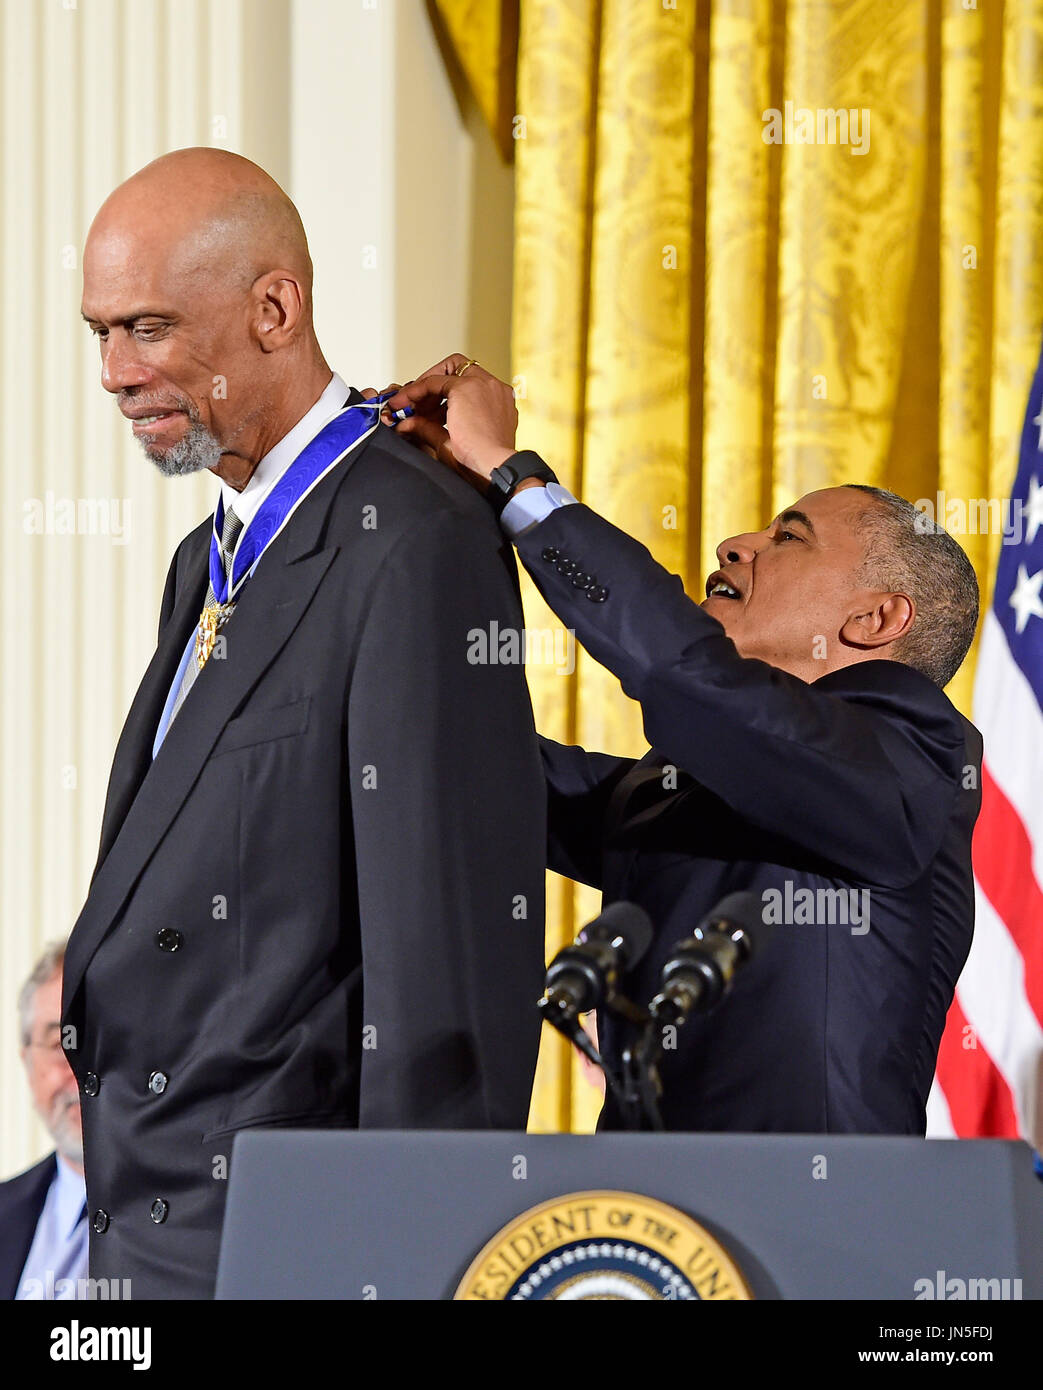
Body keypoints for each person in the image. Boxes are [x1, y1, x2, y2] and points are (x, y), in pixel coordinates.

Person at [64, 153, 546, 1299]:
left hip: (292, 1247)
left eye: (148, 327)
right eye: (99, 334)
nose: (117, 373)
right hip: (152, 1233)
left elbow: (445, 967)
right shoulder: (207, 558)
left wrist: (414, 1262)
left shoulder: (411, 537)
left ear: (274, 309)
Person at [382, 355, 983, 1135]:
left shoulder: (910, 760)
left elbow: (683, 672)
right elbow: (486, 773)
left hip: (816, 1234)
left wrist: (517, 479)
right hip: (655, 1227)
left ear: (873, 621)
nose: (736, 543)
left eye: (788, 538)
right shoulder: (714, 785)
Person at [1, 943, 88, 1300]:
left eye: (100, 1039)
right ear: (28, 1063)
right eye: (58, 1043)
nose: (83, 1073)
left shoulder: (211, 1215)